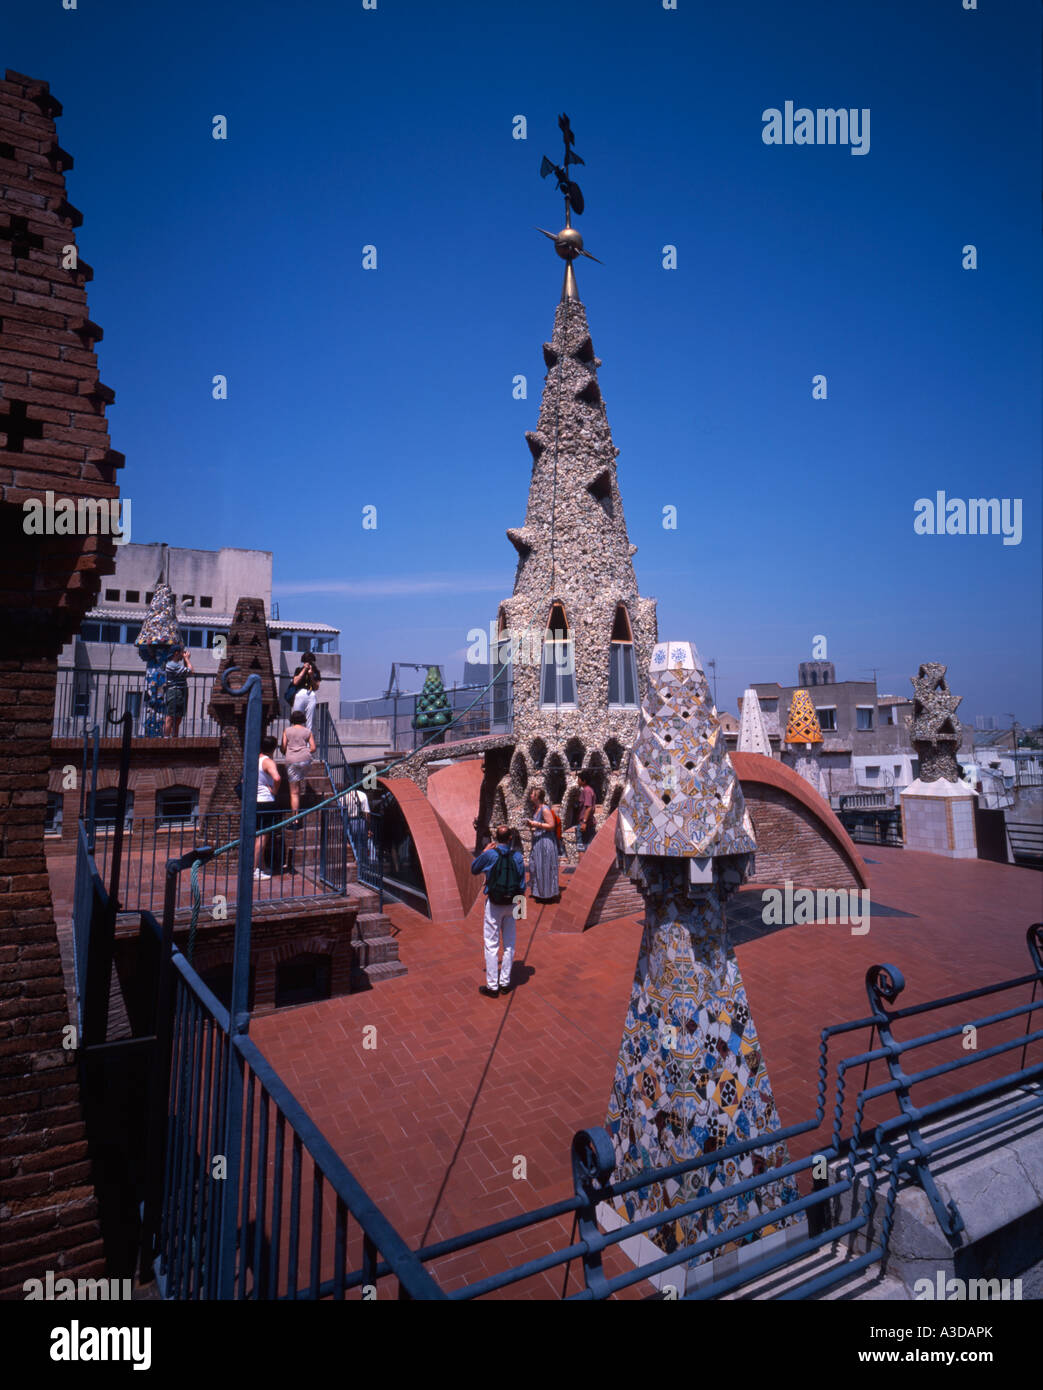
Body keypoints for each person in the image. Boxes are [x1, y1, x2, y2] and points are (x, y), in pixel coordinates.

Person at [470, 825, 526, 998]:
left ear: (496, 838)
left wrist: (485, 851)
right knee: (509, 944)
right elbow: (522, 885)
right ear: (510, 838)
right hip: (512, 903)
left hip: (494, 904)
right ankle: (505, 983)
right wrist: (520, 912)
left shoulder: (490, 855)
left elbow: (474, 869)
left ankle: (492, 986)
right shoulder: (517, 856)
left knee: (491, 944)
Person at [526, 787, 559, 901]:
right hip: (538, 841)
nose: (530, 795)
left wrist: (536, 824)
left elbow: (551, 825)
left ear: (536, 797)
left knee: (545, 866)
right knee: (536, 866)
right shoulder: (537, 808)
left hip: (545, 842)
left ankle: (547, 894)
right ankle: (539, 892)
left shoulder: (544, 809)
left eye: (532, 794)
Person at [254, 735, 281, 879]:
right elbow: (277, 778)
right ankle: (254, 870)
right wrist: (274, 790)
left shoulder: (255, 759)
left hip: (255, 801)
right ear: (274, 748)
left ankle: (261, 866)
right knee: (263, 837)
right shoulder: (268, 762)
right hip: (266, 801)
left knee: (259, 835)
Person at [280, 710, 316, 813]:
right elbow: (313, 748)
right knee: (298, 783)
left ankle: (295, 818)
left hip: (292, 760)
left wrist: (285, 751)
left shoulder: (287, 731)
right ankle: (298, 805)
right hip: (305, 760)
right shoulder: (308, 731)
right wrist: (304, 751)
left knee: (294, 792)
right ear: (303, 720)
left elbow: (283, 746)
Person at [163, 644, 192, 738]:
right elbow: (191, 671)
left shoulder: (175, 665)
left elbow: (185, 673)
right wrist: (187, 659)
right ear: (176, 653)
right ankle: (166, 738)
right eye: (181, 652)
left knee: (178, 717)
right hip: (175, 693)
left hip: (180, 693)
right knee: (170, 716)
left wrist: (184, 660)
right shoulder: (172, 665)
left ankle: (174, 737)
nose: (182, 654)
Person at [291, 656, 321, 732]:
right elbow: (295, 682)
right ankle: (296, 736)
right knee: (296, 717)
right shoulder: (298, 670)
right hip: (300, 692)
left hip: (311, 693)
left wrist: (311, 675)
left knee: (310, 720)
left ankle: (308, 742)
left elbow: (316, 687)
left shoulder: (316, 672)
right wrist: (304, 670)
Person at [576, 769, 596, 852]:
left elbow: (589, 807)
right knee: (587, 849)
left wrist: (584, 822)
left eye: (579, 779)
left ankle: (583, 865)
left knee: (581, 849)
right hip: (588, 824)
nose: (577, 781)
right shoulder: (589, 790)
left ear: (583, 781)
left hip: (585, 825)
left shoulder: (586, 791)